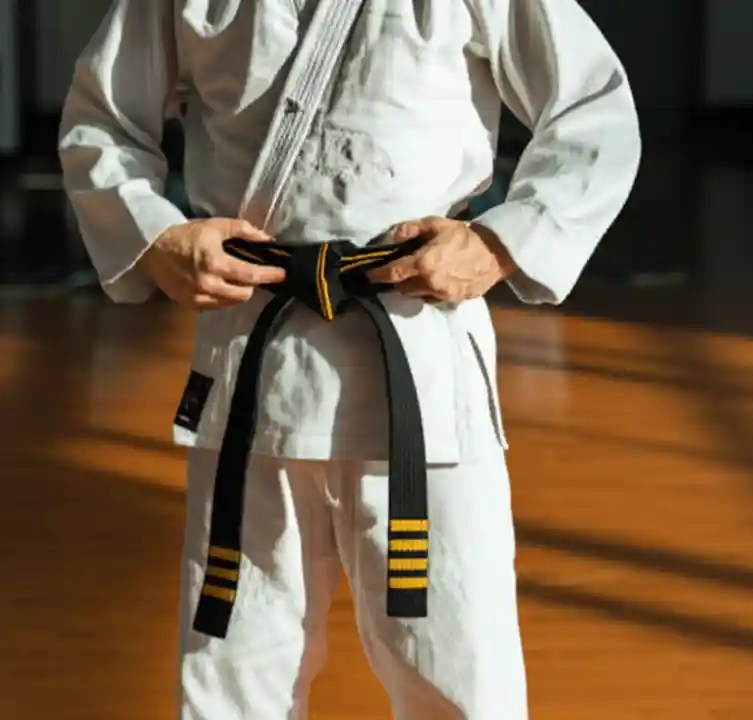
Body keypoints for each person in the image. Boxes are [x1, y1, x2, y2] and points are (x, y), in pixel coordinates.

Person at [58, 0, 640, 717]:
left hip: (419, 365)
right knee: (233, 674)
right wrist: (154, 237)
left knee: (457, 668)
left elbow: (594, 109)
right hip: (253, 363)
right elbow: (103, 115)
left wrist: (498, 243)